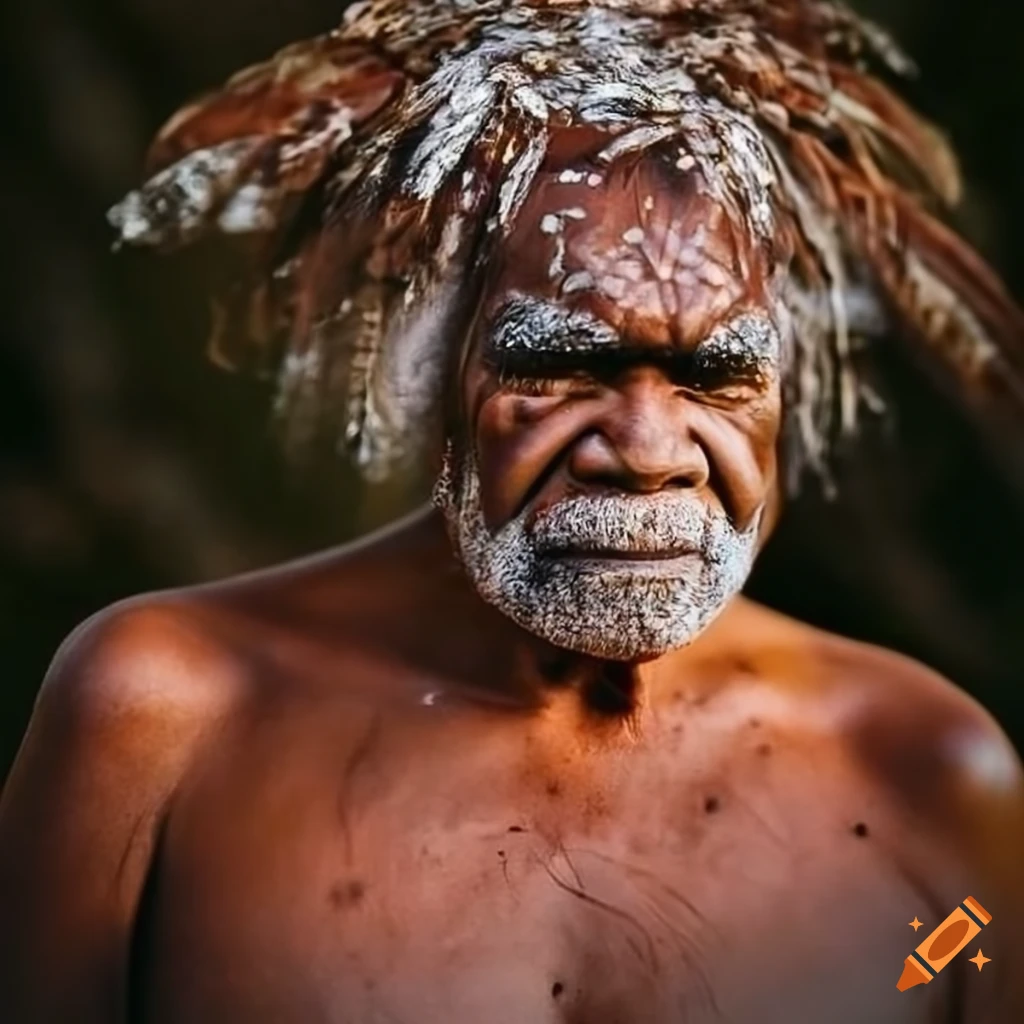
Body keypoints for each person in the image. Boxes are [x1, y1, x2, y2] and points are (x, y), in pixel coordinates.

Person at [2, 1, 1023, 1021]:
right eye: (562, 365)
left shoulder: (929, 780)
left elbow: (950, 969)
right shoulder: (164, 721)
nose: (650, 454)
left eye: (715, 374)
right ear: (426, 369)